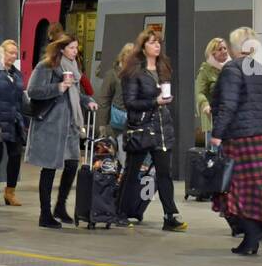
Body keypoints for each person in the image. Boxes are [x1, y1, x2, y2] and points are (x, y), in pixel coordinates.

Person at [209, 27, 262, 255]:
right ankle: (252, 236)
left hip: (239, 136)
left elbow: (227, 105)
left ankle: (251, 236)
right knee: (255, 185)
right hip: (261, 135)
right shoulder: (261, 69)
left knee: (236, 188)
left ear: (234, 47)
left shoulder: (232, 69)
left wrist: (217, 134)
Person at [117, 28, 187, 231]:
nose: (157, 46)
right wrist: (154, 101)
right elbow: (130, 103)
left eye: (158, 42)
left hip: (162, 128)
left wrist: (163, 101)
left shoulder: (163, 68)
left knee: (164, 173)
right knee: (131, 172)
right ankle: (120, 211)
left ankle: (170, 215)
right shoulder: (133, 72)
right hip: (142, 128)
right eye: (152, 42)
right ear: (143, 46)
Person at [25, 35, 96, 228]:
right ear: (62, 49)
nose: (75, 51)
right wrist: (59, 87)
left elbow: (74, 93)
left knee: (72, 164)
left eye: (76, 48)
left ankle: (60, 206)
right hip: (51, 126)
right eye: (72, 48)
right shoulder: (46, 66)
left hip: (70, 125)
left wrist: (86, 100)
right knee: (48, 169)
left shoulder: (73, 69)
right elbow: (33, 91)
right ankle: (45, 214)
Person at [0, 38, 28, 206]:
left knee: (15, 156)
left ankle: (10, 192)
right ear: (1, 52)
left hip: (13, 121)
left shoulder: (17, 74)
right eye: (10, 52)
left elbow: (20, 97)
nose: (13, 56)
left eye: (15, 54)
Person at [95, 42, 134, 148]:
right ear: (123, 56)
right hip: (117, 121)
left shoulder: (137, 74)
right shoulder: (112, 74)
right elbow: (104, 99)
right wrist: (102, 124)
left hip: (133, 122)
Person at [196, 37, 229, 145]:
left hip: (231, 120)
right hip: (213, 120)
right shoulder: (206, 70)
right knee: (214, 157)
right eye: (220, 49)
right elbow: (199, 92)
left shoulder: (232, 68)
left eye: (225, 48)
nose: (224, 51)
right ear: (212, 53)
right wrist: (205, 105)